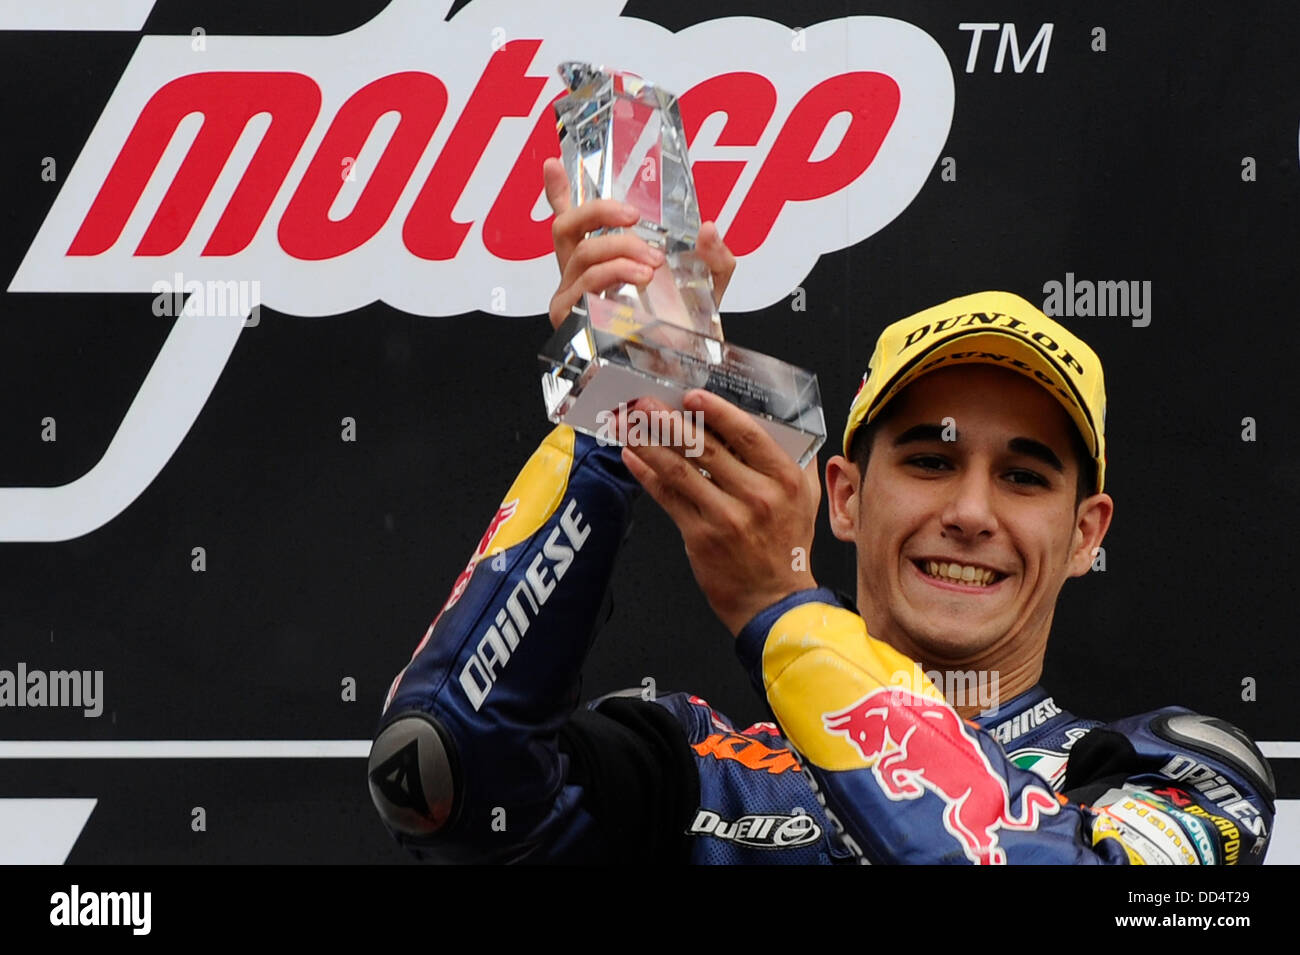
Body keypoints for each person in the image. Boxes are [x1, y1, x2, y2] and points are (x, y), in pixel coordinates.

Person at [366, 159, 1275, 864]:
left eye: (1024, 477)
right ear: (844, 494)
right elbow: (440, 775)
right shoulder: (703, 763)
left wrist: (784, 608)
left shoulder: (1179, 771)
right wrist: (620, 401)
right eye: (930, 459)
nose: (968, 510)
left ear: (1087, 534)